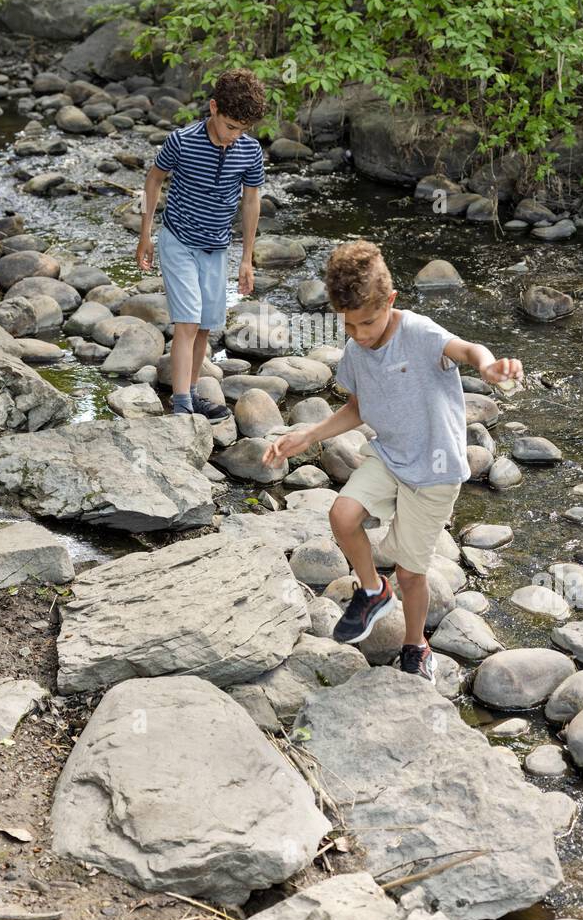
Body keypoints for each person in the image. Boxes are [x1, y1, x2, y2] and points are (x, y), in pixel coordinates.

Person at [263, 240, 524, 683]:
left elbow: (466, 349)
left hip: (434, 472)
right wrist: (307, 433)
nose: (360, 335)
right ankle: (371, 590)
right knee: (342, 515)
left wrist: (488, 366)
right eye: (349, 326)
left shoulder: (419, 334)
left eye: (367, 322)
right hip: (390, 455)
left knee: (410, 571)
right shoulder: (356, 349)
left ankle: (415, 643)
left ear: (390, 301)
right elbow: (358, 408)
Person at [136, 68, 266, 419]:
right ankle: (180, 406)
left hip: (216, 246)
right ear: (213, 108)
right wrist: (145, 234)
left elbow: (251, 201)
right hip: (178, 239)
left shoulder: (249, 151)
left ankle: (191, 394)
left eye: (243, 129)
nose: (234, 136)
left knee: (206, 324)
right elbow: (153, 181)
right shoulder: (183, 140)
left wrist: (246, 258)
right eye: (230, 126)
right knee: (188, 322)